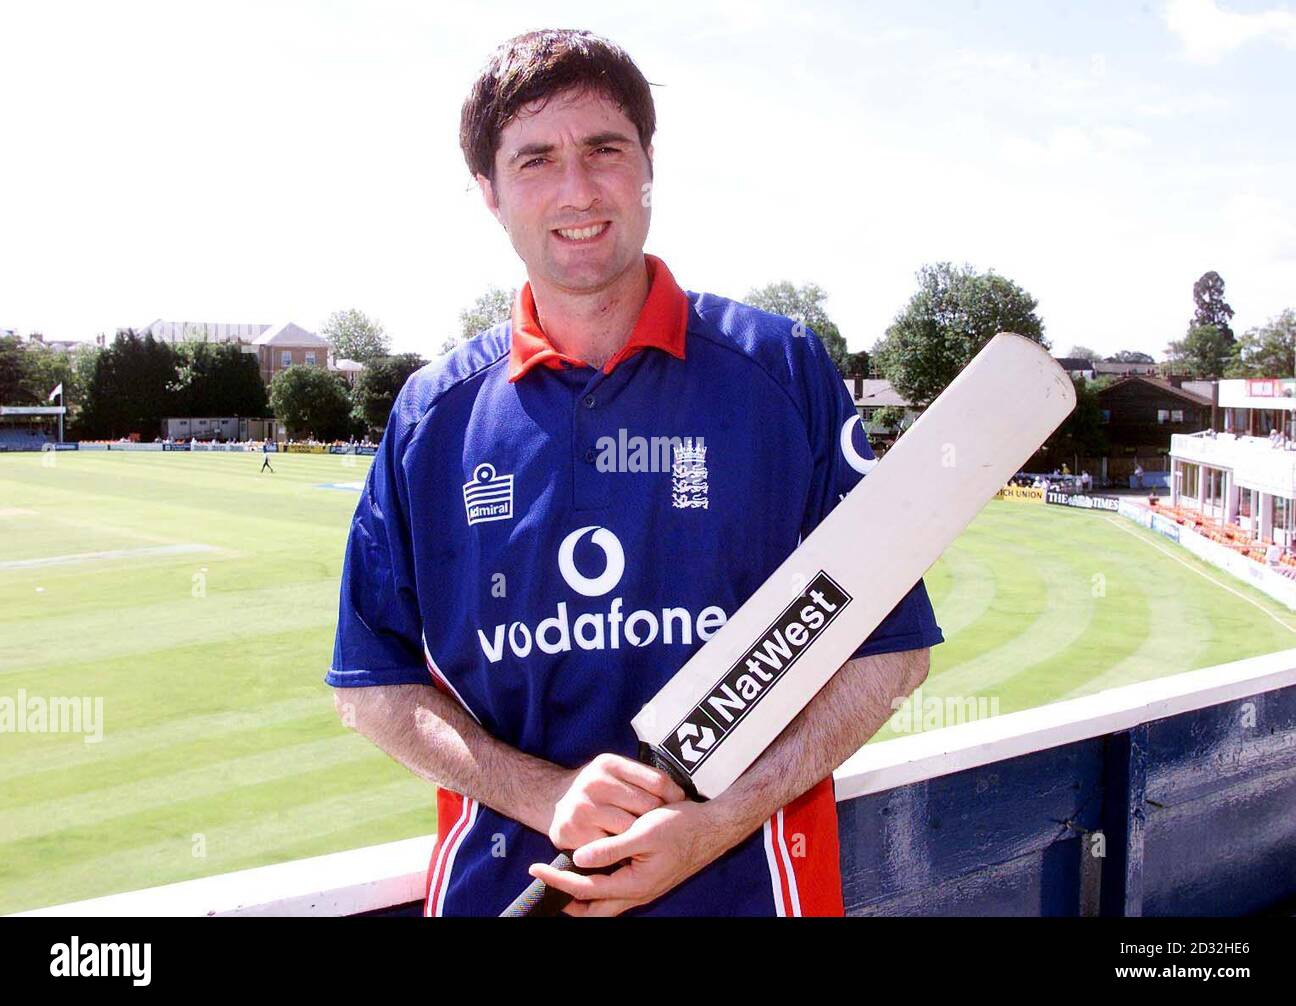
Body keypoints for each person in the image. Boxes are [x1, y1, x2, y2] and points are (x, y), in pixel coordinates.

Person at [326, 29, 941, 918]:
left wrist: (715, 821)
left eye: (604, 150)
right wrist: (547, 798)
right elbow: (373, 685)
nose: (577, 190)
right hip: (505, 893)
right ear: (490, 194)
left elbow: (891, 653)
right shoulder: (434, 415)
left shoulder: (785, 371)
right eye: (535, 160)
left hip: (749, 891)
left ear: (648, 166)